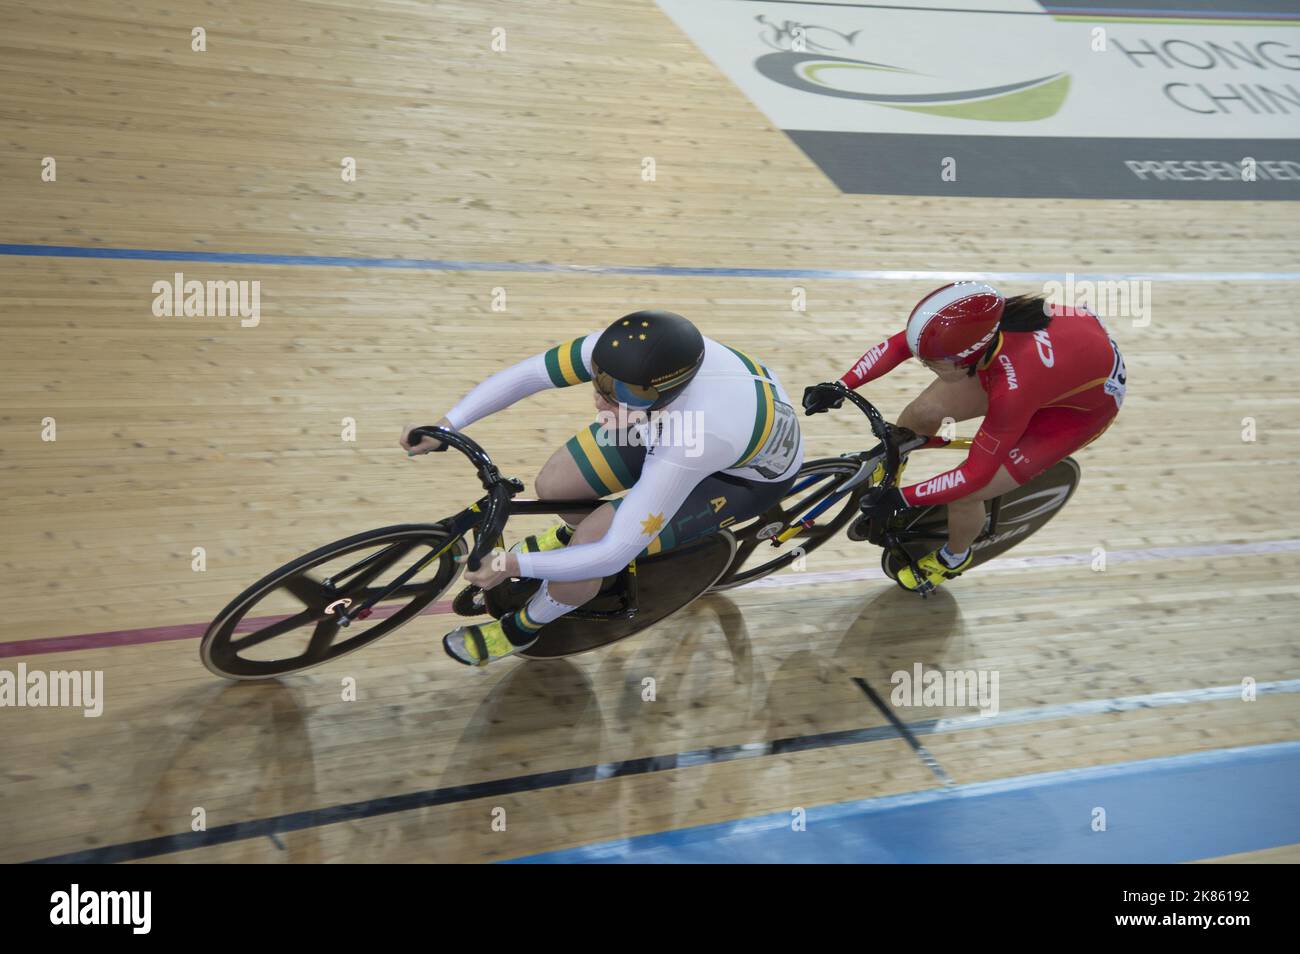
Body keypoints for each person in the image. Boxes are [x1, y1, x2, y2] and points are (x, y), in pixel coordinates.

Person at [403, 310, 804, 665]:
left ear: (662, 391)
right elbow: (529, 375)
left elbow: (609, 555)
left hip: (737, 476)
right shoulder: (622, 354)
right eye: (599, 382)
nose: (599, 399)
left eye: (618, 394)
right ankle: (579, 551)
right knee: (555, 484)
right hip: (663, 423)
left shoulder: (697, 436)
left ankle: (524, 627)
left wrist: (511, 566)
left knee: (596, 540)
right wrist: (447, 425)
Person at [803, 281, 1126, 592]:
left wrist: (903, 499)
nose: (925, 366)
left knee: (968, 494)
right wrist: (841, 385)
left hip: (1074, 415)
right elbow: (899, 345)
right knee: (921, 415)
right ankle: (896, 474)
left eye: (932, 363)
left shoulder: (1012, 392)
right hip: (1053, 366)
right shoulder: (975, 325)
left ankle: (954, 558)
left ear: (967, 357)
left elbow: (973, 475)